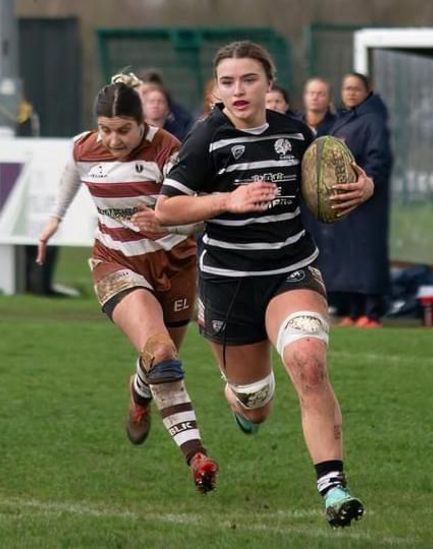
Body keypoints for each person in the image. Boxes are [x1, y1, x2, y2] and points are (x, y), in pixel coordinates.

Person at [156, 41, 374, 526]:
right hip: (229, 285)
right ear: (217, 88)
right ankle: (244, 398)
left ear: (268, 84)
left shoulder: (297, 135)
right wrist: (226, 202)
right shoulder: (205, 140)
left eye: (248, 80)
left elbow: (342, 176)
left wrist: (364, 187)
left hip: (289, 270)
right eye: (228, 82)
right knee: (254, 404)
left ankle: (334, 487)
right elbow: (165, 210)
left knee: (308, 362)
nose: (238, 90)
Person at [37, 80, 219, 493]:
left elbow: (201, 214)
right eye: (105, 129)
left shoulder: (167, 149)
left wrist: (170, 219)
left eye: (123, 130)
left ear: (142, 124)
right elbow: (71, 177)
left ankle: (139, 395)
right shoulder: (84, 148)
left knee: (159, 359)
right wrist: (53, 221)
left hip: (175, 263)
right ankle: (197, 456)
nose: (113, 139)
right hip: (116, 261)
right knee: (162, 354)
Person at [312, 73, 393, 328]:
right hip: (345, 200)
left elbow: (378, 160)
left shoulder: (374, 122)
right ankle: (353, 310)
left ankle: (372, 312)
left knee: (367, 255)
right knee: (348, 257)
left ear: (368, 90)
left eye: (356, 89)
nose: (350, 93)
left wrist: (366, 182)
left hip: (366, 201)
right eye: (347, 88)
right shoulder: (344, 119)